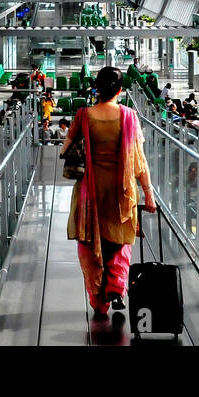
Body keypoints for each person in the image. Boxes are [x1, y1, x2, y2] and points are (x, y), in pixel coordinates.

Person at [61, 66, 155, 319]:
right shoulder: (129, 116)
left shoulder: (83, 115)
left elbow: (65, 148)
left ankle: (98, 299)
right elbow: (139, 159)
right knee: (121, 240)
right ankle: (115, 287)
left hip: (90, 193)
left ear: (97, 88)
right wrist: (148, 192)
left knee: (89, 243)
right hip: (121, 192)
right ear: (121, 91)